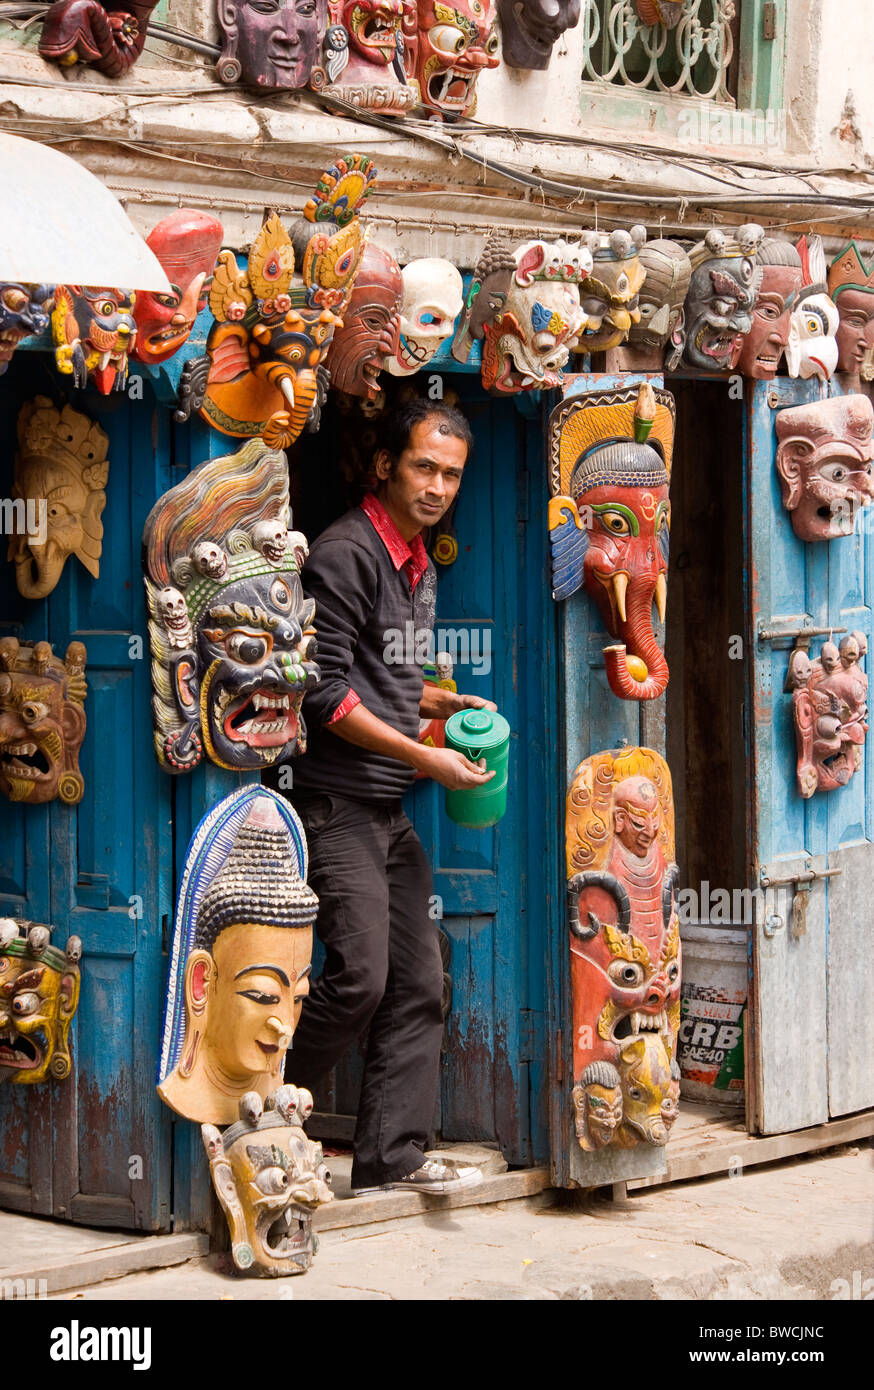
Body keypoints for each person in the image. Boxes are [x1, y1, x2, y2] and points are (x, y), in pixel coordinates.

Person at [284, 398, 496, 1195]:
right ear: (386, 467)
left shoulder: (418, 564)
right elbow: (324, 695)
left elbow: (390, 679)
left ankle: (390, 1156)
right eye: (424, 467)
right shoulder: (347, 554)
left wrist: (447, 707)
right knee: (361, 979)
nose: (438, 486)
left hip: (387, 809)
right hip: (335, 805)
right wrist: (426, 760)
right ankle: (257, 1102)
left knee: (421, 982)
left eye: (451, 474)